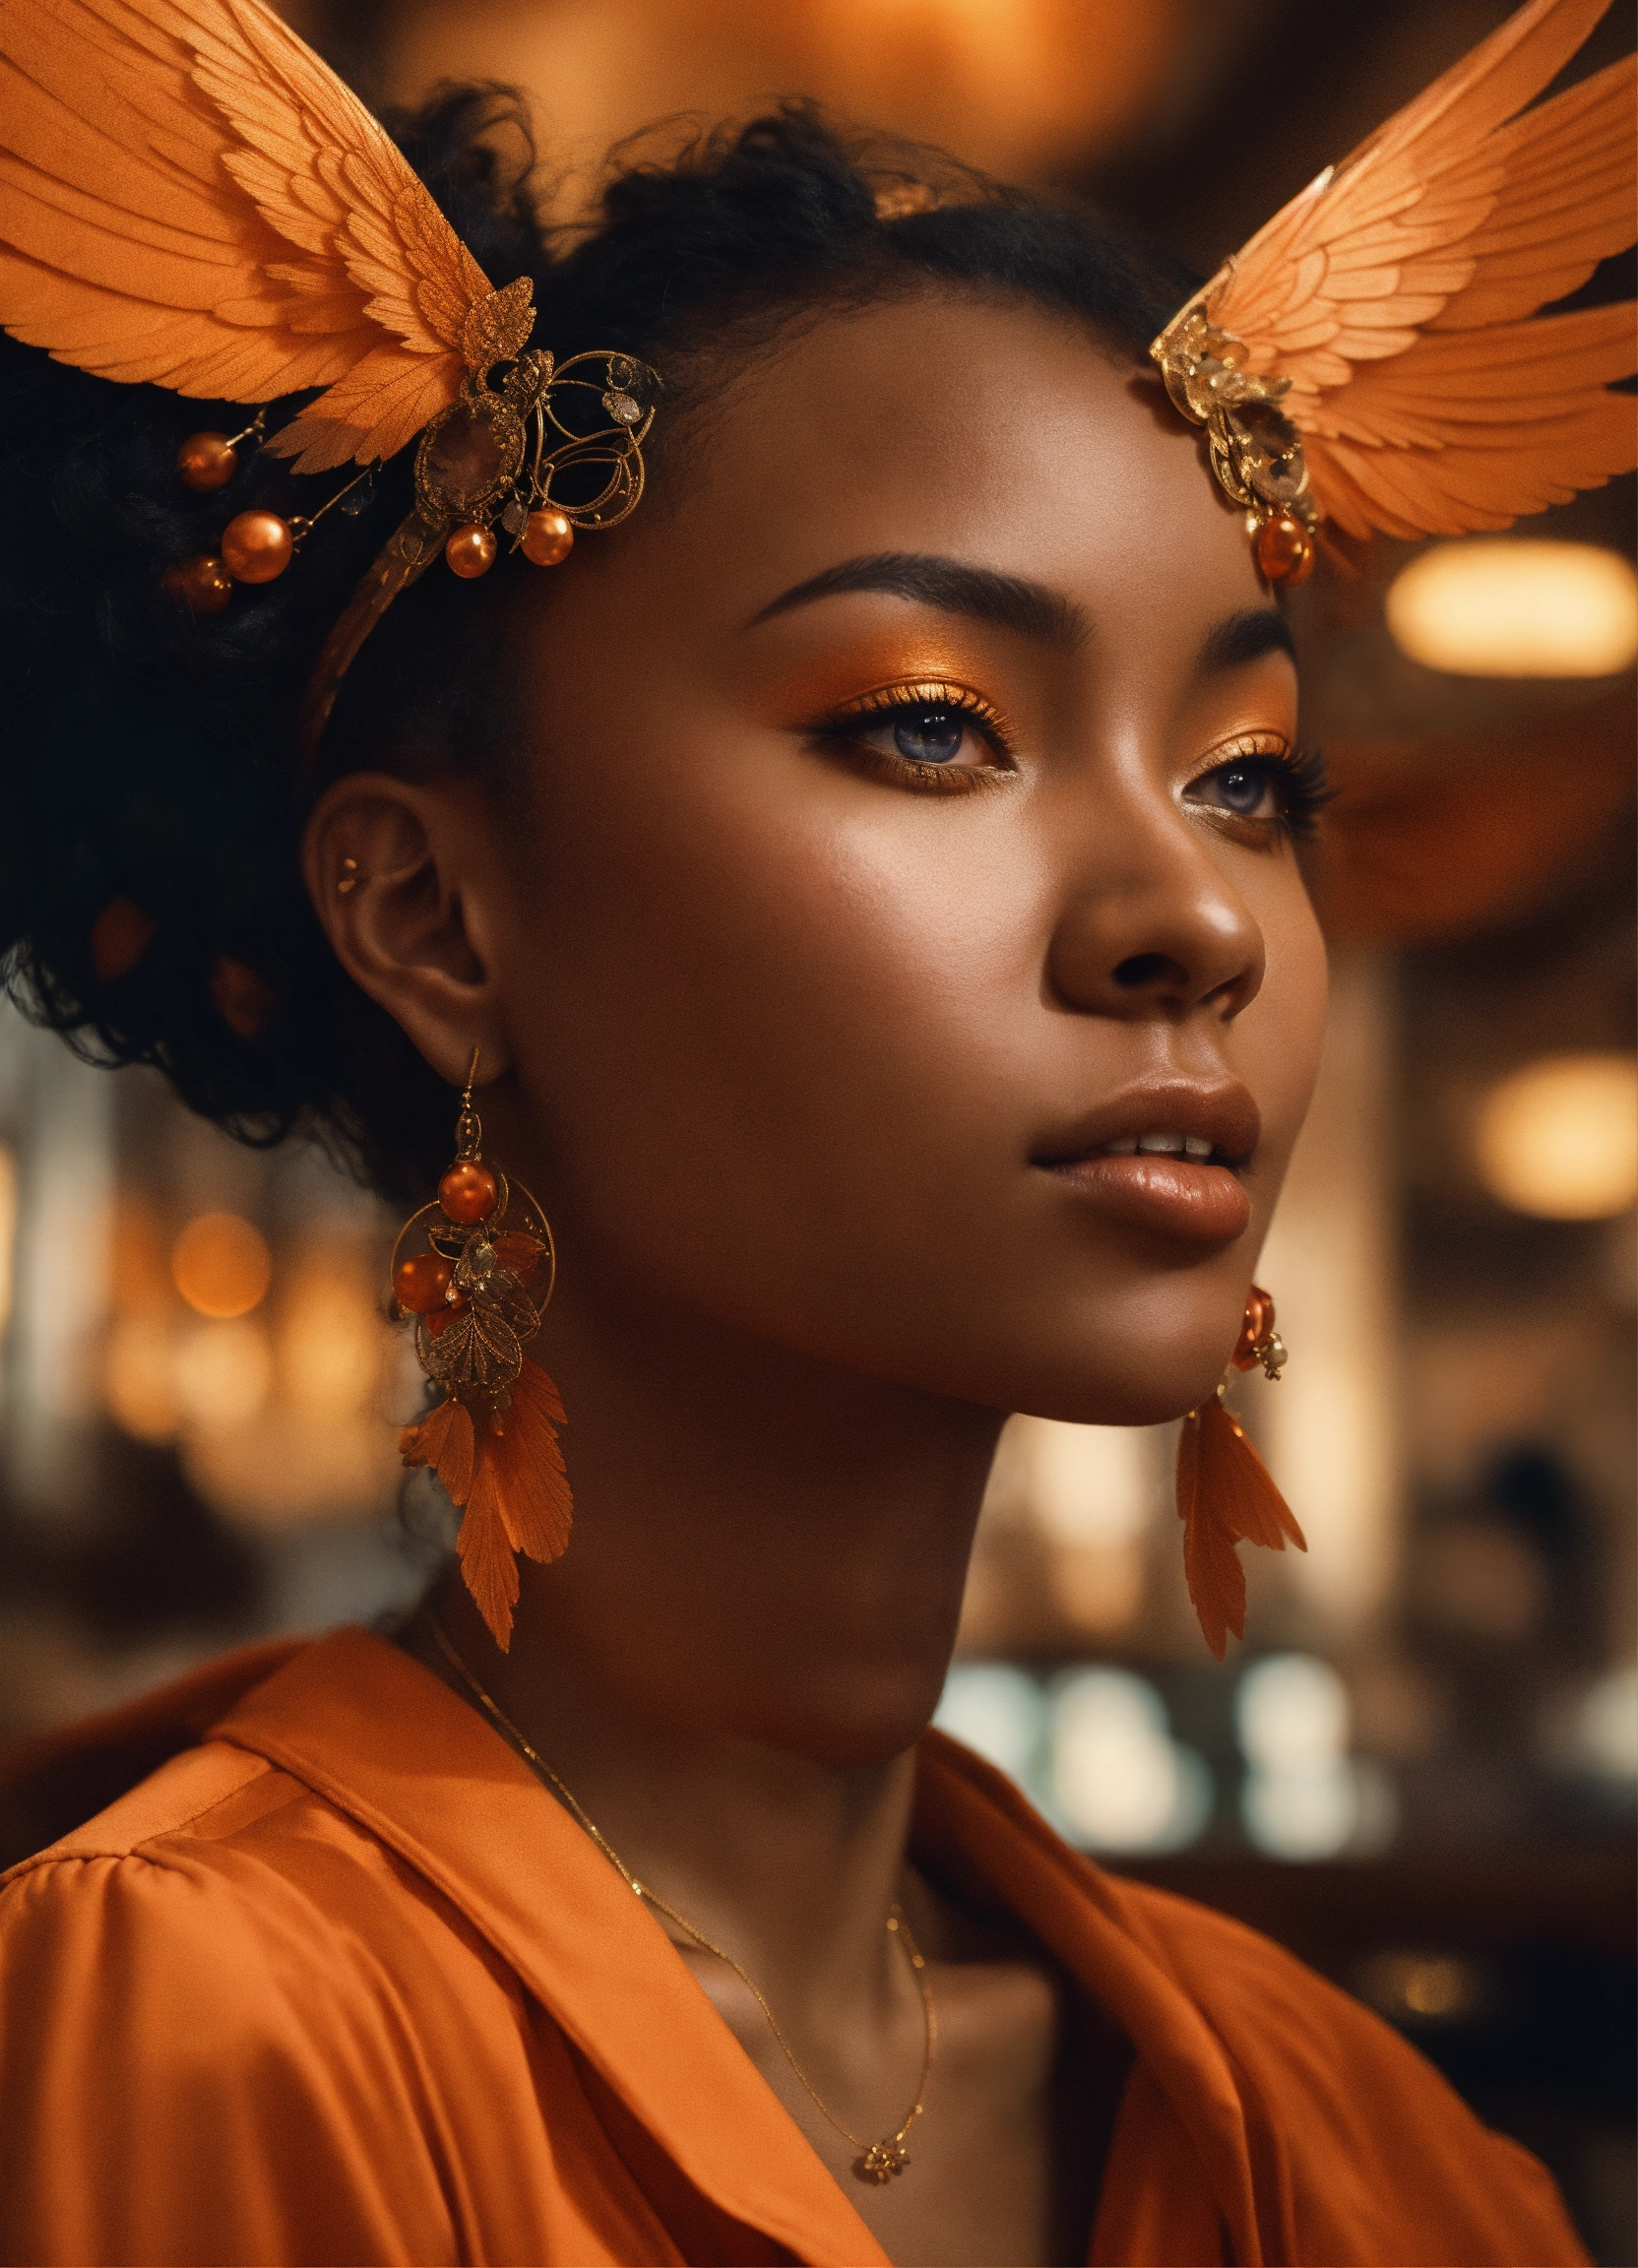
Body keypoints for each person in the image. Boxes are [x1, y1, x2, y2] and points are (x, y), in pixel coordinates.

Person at [0, 0, 1629, 2257]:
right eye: (935, 727)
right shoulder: (201, 2021)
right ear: (436, 914)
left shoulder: (1360, 2152)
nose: (1192, 918)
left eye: (1251, 778)